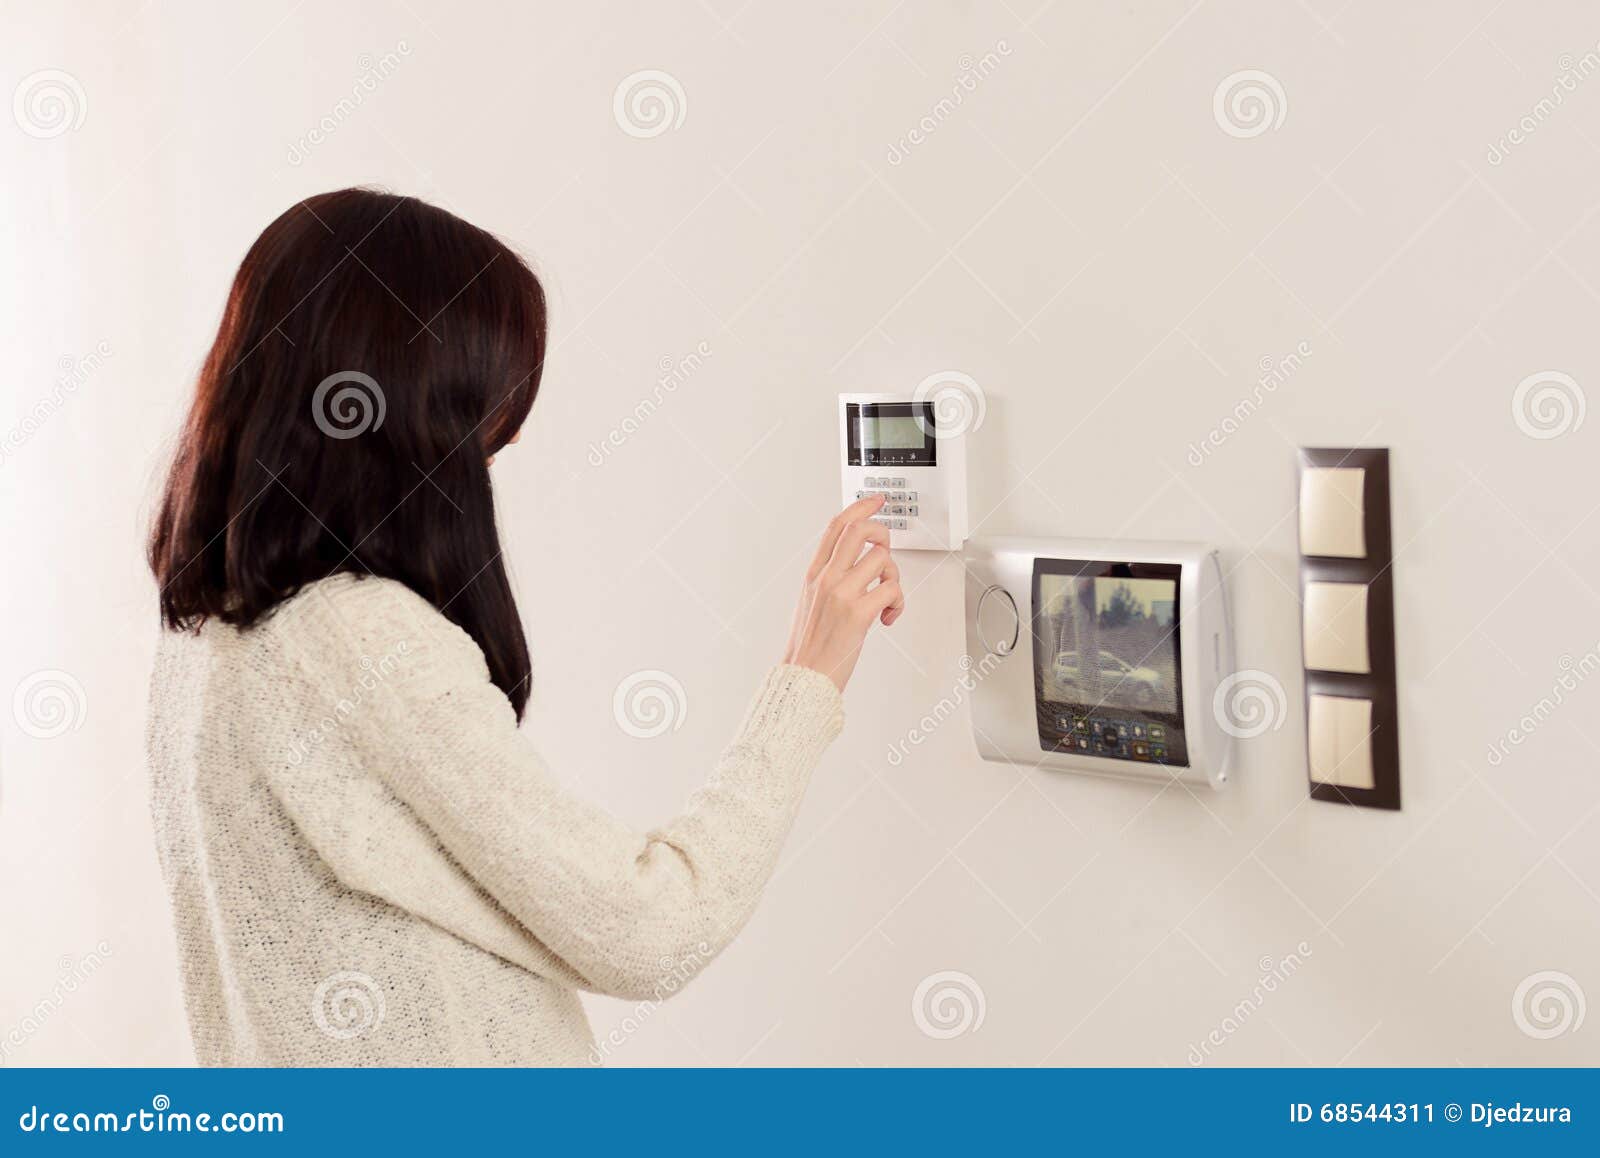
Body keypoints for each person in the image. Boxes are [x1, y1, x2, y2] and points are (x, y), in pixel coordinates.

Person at [145, 188, 903, 1065]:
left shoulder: (209, 636)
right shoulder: (360, 640)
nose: (500, 442)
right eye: (483, 414)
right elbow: (655, 930)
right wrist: (807, 678)